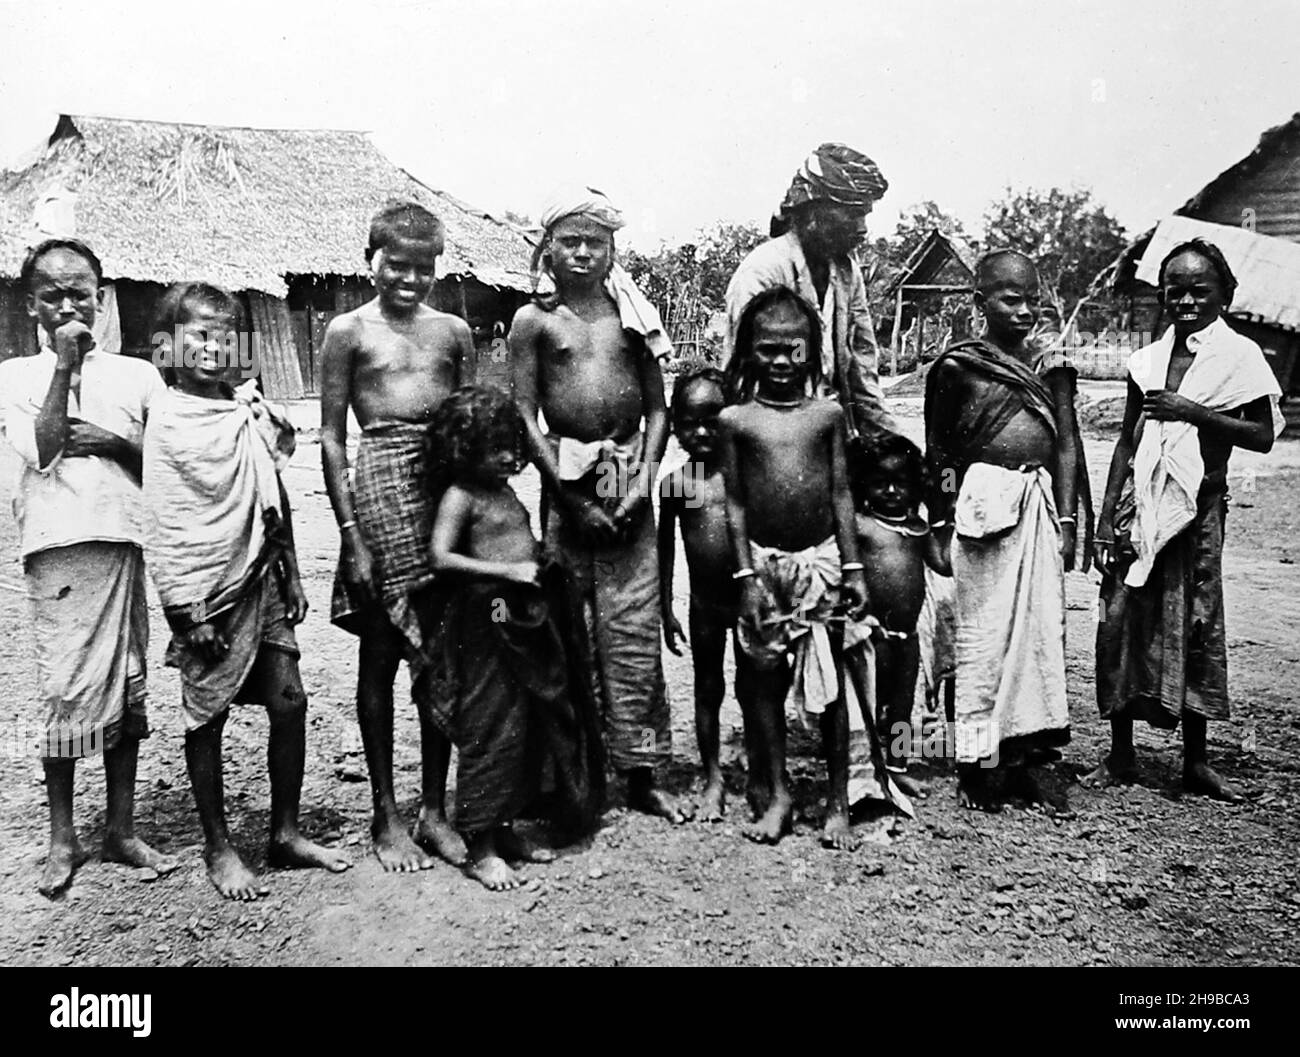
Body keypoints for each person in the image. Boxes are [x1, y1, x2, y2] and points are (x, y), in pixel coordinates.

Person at [145, 282, 348, 900]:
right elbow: (166, 523)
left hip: (260, 580)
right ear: (168, 345)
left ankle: (284, 833)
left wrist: (288, 566)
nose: (211, 347)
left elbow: (271, 493)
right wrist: (184, 611)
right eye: (197, 334)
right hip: (207, 598)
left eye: (223, 336)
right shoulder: (170, 420)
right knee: (207, 715)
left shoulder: (246, 411)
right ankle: (217, 845)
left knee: (289, 701)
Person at [0, 238, 177, 897]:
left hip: (124, 541)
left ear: (102, 299)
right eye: (54, 295)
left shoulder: (139, 376)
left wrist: (113, 441)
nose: (70, 304)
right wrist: (61, 368)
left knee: (128, 686)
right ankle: (60, 836)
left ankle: (122, 827)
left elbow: (163, 465)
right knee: (66, 693)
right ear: (32, 305)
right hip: (59, 551)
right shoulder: (14, 376)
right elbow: (45, 449)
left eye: (82, 293)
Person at [509, 185, 688, 823]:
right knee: (570, 626)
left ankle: (643, 774)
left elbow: (660, 409)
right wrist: (564, 495)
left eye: (596, 242)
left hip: (627, 471)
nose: (583, 253)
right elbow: (525, 417)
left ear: (614, 249)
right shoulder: (534, 321)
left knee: (633, 628)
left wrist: (642, 482)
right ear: (547, 248)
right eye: (570, 242)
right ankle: (573, 774)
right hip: (568, 479)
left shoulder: (633, 317)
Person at [1089, 239, 1282, 802]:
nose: (1187, 300)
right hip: (1138, 506)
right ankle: (1120, 753)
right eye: (1175, 291)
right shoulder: (1147, 361)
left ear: (1226, 294)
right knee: (1122, 618)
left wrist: (1193, 413)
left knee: (1194, 621)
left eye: (1201, 290)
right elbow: (1127, 440)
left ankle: (1195, 763)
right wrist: (1105, 519)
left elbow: (1264, 437)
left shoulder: (1241, 357)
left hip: (1197, 511)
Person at [320, 201, 475, 871]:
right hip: (378, 490)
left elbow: (471, 421)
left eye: (423, 267)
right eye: (396, 265)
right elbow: (329, 436)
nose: (410, 279)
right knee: (381, 650)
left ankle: (434, 808)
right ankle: (385, 812)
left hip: (442, 490)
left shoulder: (453, 331)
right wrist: (351, 533)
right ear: (370, 261)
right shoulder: (347, 332)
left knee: (442, 654)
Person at [427, 386, 605, 890]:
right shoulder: (461, 496)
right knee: (492, 723)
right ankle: (479, 846)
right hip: (487, 615)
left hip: (518, 612)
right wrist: (506, 570)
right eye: (496, 448)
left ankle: (505, 830)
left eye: (513, 447)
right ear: (466, 448)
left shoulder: (501, 491)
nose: (510, 457)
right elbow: (440, 558)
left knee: (524, 721)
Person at [924, 250, 1079, 812]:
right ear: (979, 303)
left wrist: (1067, 518)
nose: (1024, 311)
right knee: (984, 636)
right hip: (982, 508)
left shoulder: (1051, 363)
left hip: (1037, 506)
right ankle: (977, 764)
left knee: (1038, 634)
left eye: (1031, 299)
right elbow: (939, 453)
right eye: (1010, 299)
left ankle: (1022, 759)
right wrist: (939, 524)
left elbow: (1066, 443)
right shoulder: (957, 368)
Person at [720, 286, 871, 849]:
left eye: (794, 349)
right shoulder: (736, 421)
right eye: (767, 350)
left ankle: (838, 801)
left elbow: (840, 494)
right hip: (763, 567)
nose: (782, 361)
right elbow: (734, 503)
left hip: (821, 565)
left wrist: (853, 569)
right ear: (747, 352)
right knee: (764, 681)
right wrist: (745, 578)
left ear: (814, 350)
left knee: (830, 684)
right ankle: (779, 793)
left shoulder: (827, 415)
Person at [724, 142, 896, 447]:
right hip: (774, 438)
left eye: (865, 215)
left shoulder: (846, 272)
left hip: (832, 435)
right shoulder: (763, 271)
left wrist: (893, 446)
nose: (862, 228)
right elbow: (743, 379)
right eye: (853, 214)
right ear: (815, 212)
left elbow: (862, 373)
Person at [658, 367, 737, 821]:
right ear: (674, 425)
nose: (702, 431)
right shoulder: (677, 485)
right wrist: (667, 607)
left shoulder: (747, 476)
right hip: (705, 605)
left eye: (714, 418)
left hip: (750, 602)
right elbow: (665, 548)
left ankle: (765, 771)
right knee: (708, 687)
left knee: (754, 684)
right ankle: (712, 776)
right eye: (689, 423)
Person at [851, 432, 946, 798]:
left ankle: (897, 768)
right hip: (871, 633)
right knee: (869, 703)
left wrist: (948, 520)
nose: (891, 491)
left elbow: (942, 564)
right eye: (879, 483)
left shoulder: (918, 527)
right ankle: (867, 771)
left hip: (908, 636)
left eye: (900, 484)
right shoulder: (861, 524)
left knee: (903, 705)